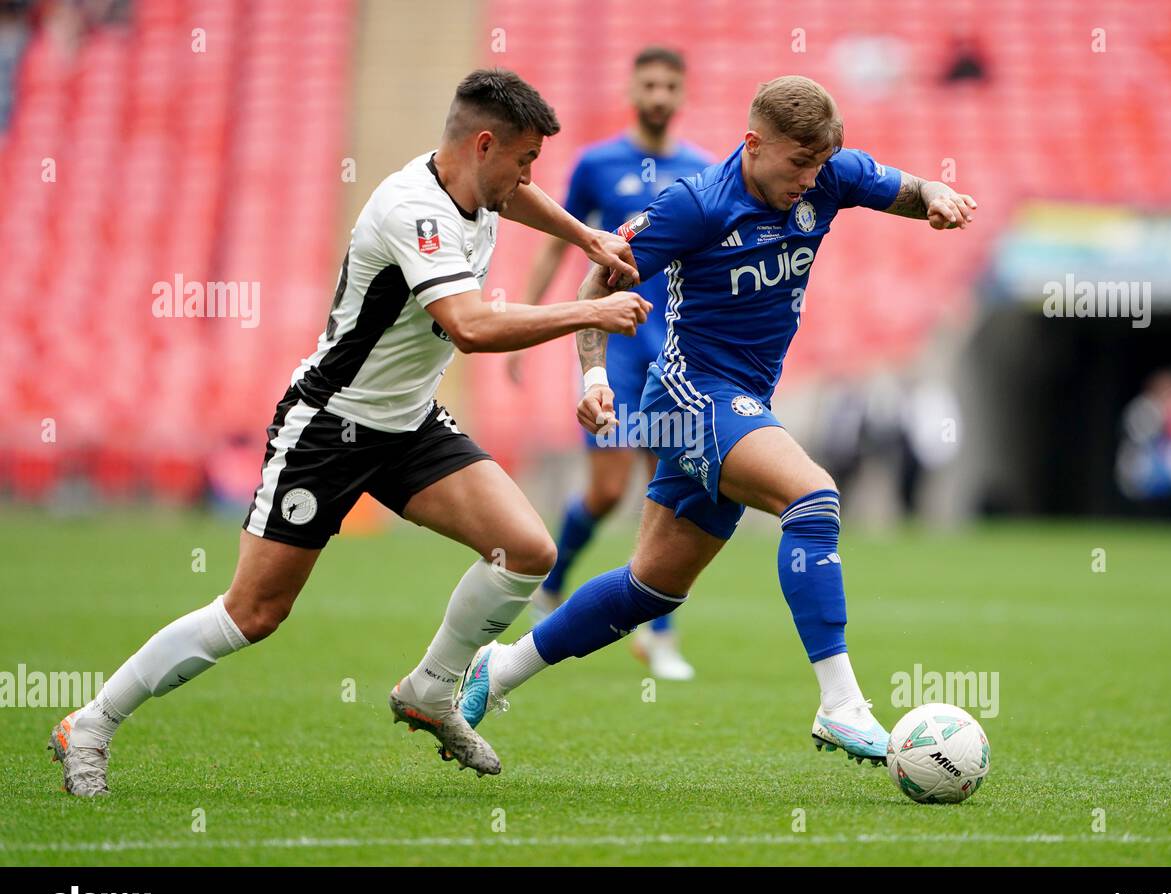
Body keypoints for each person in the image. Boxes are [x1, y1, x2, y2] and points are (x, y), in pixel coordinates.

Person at [48, 68, 651, 796]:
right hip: (330, 427)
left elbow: (517, 197)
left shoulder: (482, 183)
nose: (529, 176)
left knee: (525, 550)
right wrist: (588, 314)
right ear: (484, 145)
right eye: (524, 158)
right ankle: (92, 721)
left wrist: (586, 238)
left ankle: (432, 690)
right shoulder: (411, 208)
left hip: (410, 425)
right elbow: (470, 327)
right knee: (254, 612)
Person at [454, 75, 978, 765]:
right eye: (798, 164)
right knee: (813, 497)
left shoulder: (827, 174)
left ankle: (502, 667)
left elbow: (902, 188)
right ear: (754, 143)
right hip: (688, 395)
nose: (811, 179)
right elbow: (596, 283)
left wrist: (935, 195)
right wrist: (592, 376)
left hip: (744, 400)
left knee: (651, 587)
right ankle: (842, 704)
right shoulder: (695, 206)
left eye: (821, 165)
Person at [513, 46, 710, 680]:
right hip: (616, 352)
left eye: (669, 85)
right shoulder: (597, 165)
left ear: (682, 94)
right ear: (633, 87)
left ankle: (660, 632)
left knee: (672, 490)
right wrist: (527, 321)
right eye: (649, 82)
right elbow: (557, 243)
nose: (658, 94)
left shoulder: (703, 171)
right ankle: (556, 578)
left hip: (675, 353)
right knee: (605, 491)